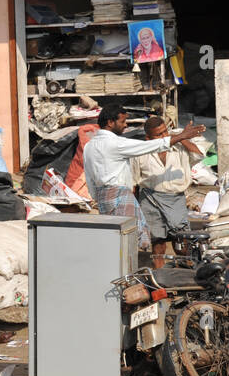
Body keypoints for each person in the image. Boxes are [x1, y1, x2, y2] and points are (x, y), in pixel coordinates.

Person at [84, 104, 203, 250]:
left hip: (103, 198)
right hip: (125, 197)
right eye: (122, 122)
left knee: (115, 238)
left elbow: (89, 178)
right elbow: (150, 148)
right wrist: (181, 136)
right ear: (110, 123)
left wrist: (98, 198)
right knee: (130, 239)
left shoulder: (89, 146)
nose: (125, 125)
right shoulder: (117, 143)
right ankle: (128, 270)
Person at [134, 114, 201, 268]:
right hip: (150, 200)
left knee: (182, 240)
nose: (164, 136)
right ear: (148, 138)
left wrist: (181, 137)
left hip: (175, 199)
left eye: (165, 132)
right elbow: (134, 180)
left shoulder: (178, 147)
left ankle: (188, 271)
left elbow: (198, 155)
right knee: (158, 242)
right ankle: (160, 276)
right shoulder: (141, 153)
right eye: (159, 134)